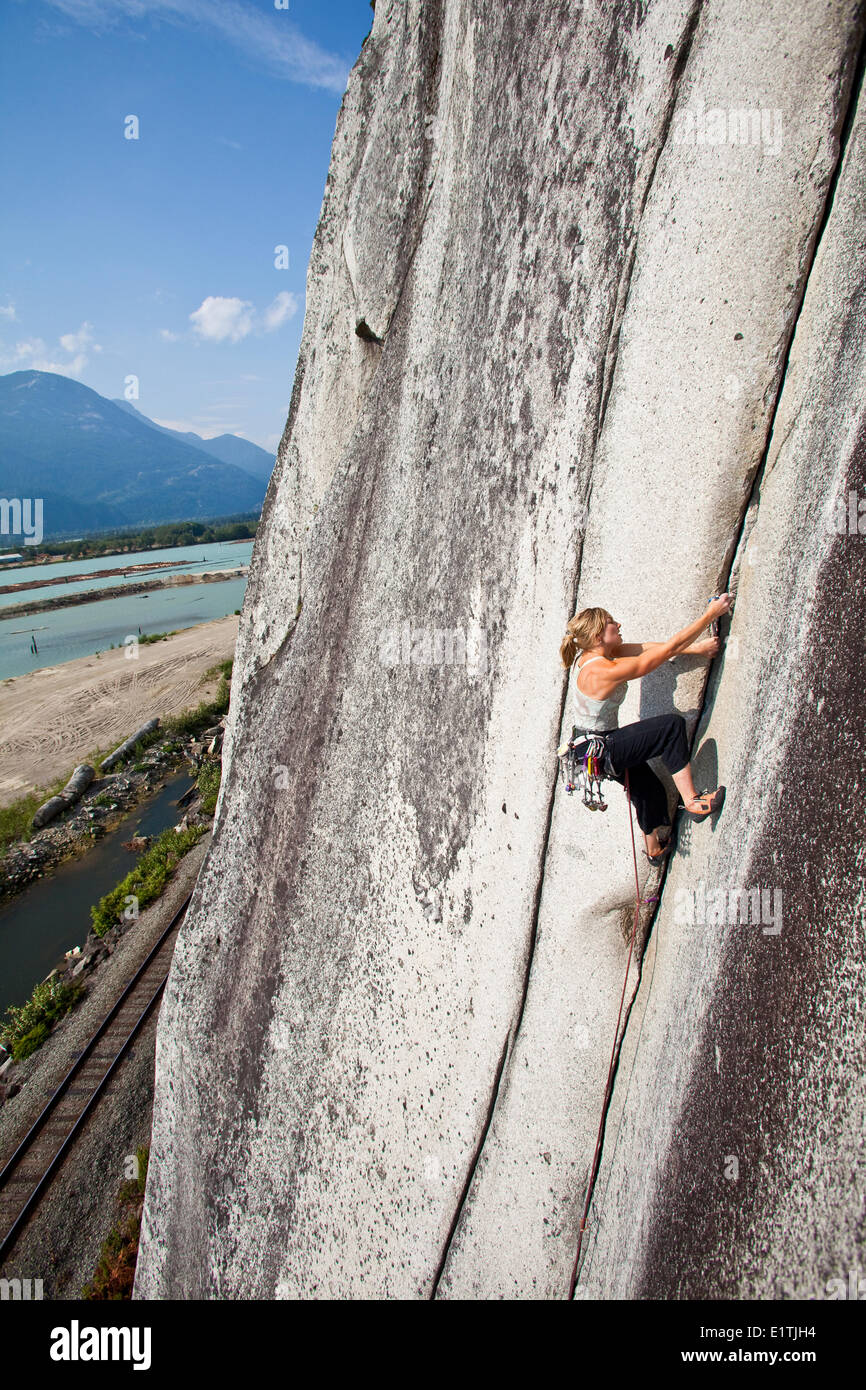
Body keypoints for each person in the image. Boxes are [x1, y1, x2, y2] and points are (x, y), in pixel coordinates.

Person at [560, 596, 733, 864]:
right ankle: (693, 801)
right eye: (610, 624)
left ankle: (653, 849)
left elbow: (648, 649)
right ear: (597, 636)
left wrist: (695, 650)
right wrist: (709, 616)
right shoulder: (602, 670)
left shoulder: (592, 655)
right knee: (670, 728)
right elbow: (658, 655)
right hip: (602, 748)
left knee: (647, 789)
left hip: (589, 748)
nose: (618, 624)